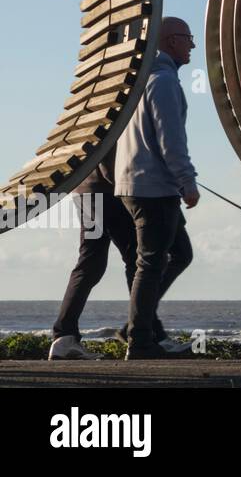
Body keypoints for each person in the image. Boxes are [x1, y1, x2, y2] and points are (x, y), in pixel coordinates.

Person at [46, 149, 194, 359]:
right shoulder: (119, 115)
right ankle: (148, 334)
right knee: (138, 262)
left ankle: (64, 336)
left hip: (85, 191)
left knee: (90, 263)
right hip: (111, 191)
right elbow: (111, 157)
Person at [115, 16, 200, 360]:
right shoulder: (163, 81)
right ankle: (140, 341)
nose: (193, 45)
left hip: (133, 183)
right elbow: (171, 140)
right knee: (150, 264)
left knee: (179, 254)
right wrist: (187, 181)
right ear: (169, 40)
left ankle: (137, 324)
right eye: (187, 38)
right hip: (153, 188)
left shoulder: (140, 79)